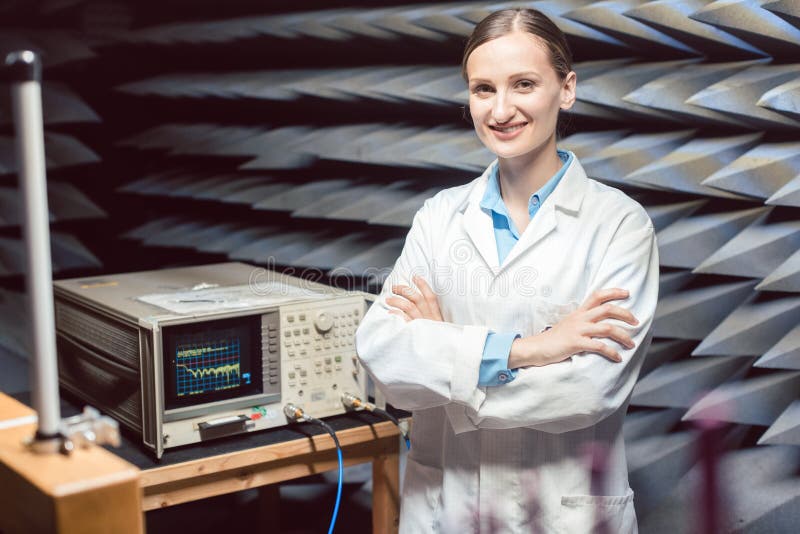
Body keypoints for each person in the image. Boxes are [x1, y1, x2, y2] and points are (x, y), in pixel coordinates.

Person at [355, 7, 659, 534]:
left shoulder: (619, 225)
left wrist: (445, 353)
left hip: (565, 517)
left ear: (566, 89)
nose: (501, 110)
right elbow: (384, 361)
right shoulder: (439, 217)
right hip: (445, 512)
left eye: (523, 84)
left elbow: (590, 389)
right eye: (482, 89)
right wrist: (531, 349)